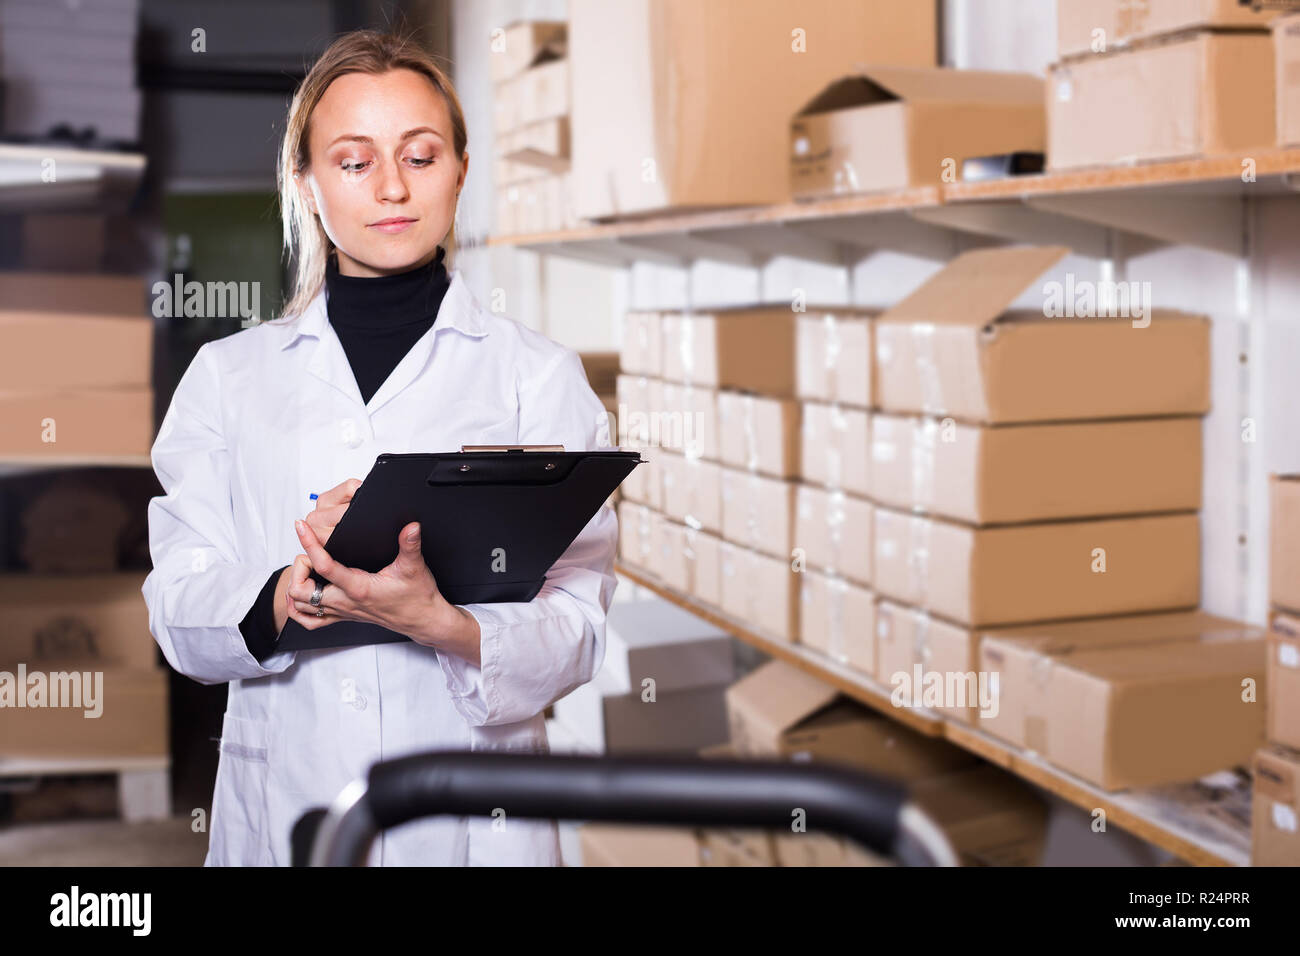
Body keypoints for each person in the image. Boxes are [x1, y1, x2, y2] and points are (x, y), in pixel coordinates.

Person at [141, 29, 618, 866]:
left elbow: (576, 629)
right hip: (289, 793)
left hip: (476, 819)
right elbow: (178, 607)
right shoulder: (226, 378)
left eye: (421, 156)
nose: (392, 187)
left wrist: (443, 622)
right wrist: (291, 593)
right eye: (355, 161)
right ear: (306, 182)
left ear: (461, 168)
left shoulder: (536, 378)